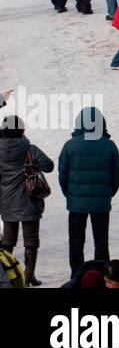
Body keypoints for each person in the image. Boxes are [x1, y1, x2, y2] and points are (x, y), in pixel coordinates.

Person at [58, 107, 119, 279]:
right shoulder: (109, 145)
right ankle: (103, 274)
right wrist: (108, 193)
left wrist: (71, 195)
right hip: (101, 203)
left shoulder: (70, 145)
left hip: (76, 203)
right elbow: (117, 172)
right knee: (101, 241)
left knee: (76, 242)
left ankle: (77, 275)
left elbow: (62, 174)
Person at [0, 113, 55, 286]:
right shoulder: (30, 149)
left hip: (7, 203)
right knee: (31, 240)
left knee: (7, 240)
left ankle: (4, 273)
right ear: (22, 130)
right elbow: (49, 166)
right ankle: (29, 274)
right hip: (29, 201)